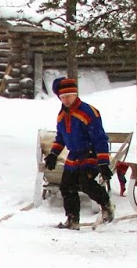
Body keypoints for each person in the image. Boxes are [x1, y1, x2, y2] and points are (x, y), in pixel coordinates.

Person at [43, 76, 115, 229]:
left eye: (68, 96)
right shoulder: (62, 115)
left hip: (91, 154)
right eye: (62, 97)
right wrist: (53, 154)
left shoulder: (88, 112)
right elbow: (61, 137)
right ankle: (72, 220)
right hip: (74, 155)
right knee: (66, 187)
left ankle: (107, 205)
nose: (66, 100)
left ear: (75, 94)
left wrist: (103, 163)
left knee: (86, 183)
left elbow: (100, 138)